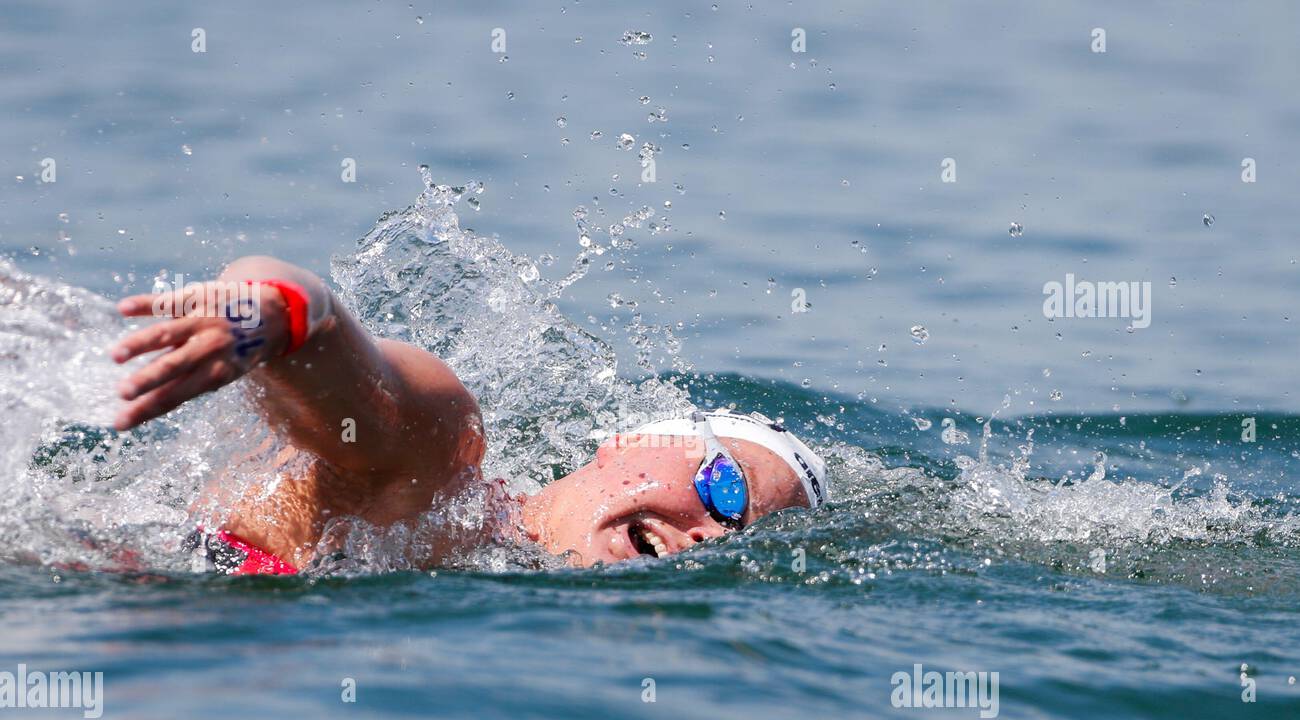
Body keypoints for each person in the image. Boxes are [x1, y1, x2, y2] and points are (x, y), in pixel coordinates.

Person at [110, 256, 828, 572]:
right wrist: (269, 314)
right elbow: (337, 346)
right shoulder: (442, 468)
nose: (710, 537)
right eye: (725, 489)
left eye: (738, 538)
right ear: (635, 440)